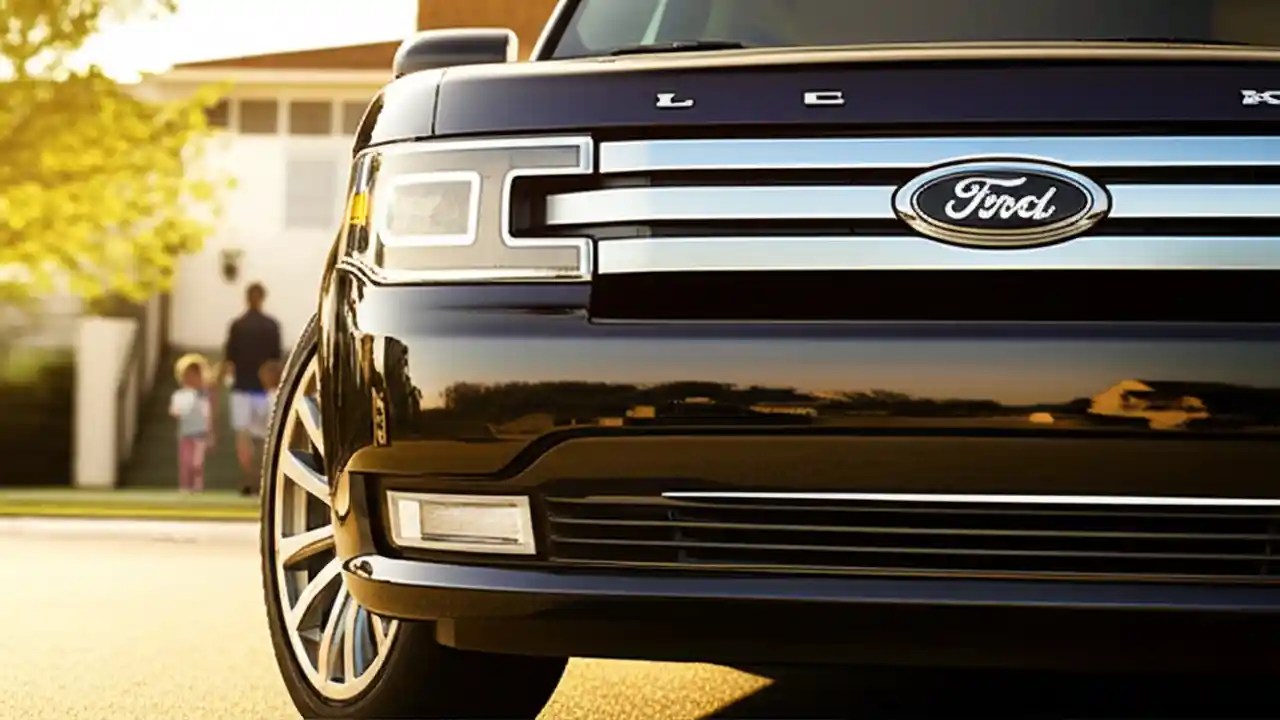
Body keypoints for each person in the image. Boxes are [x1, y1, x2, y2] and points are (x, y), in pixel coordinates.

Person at [221, 282, 283, 496]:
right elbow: (276, 360)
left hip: (243, 387)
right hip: (263, 389)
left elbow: (229, 360)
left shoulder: (238, 325)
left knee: (244, 435)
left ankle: (249, 477)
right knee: (262, 435)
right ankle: (258, 477)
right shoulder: (271, 326)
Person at [169, 353, 214, 494]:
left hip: (200, 434)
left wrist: (210, 433)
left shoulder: (204, 396)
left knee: (197, 463)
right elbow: (175, 411)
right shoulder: (180, 395)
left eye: (195, 375)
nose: (191, 379)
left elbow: (208, 415)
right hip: (186, 434)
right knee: (185, 462)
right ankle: (185, 487)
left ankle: (197, 487)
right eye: (187, 375)